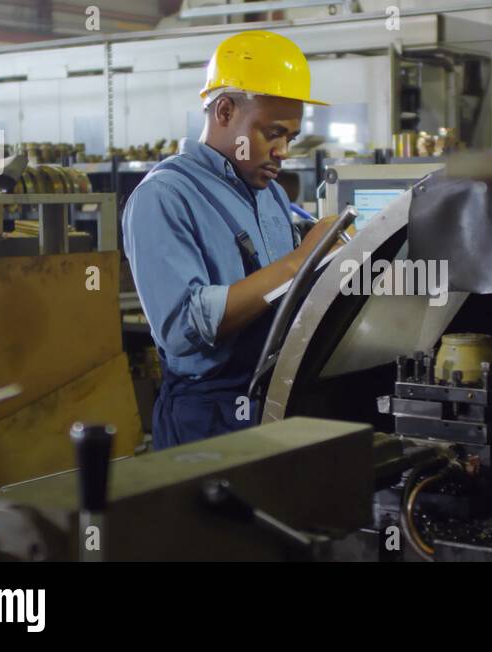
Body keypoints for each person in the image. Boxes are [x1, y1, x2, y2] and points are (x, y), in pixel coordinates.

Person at [123, 30, 338, 450]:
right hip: (206, 420)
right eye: (271, 132)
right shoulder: (164, 196)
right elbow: (182, 328)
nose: (282, 152)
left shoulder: (270, 193)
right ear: (224, 111)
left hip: (271, 400)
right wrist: (299, 261)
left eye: (290, 138)